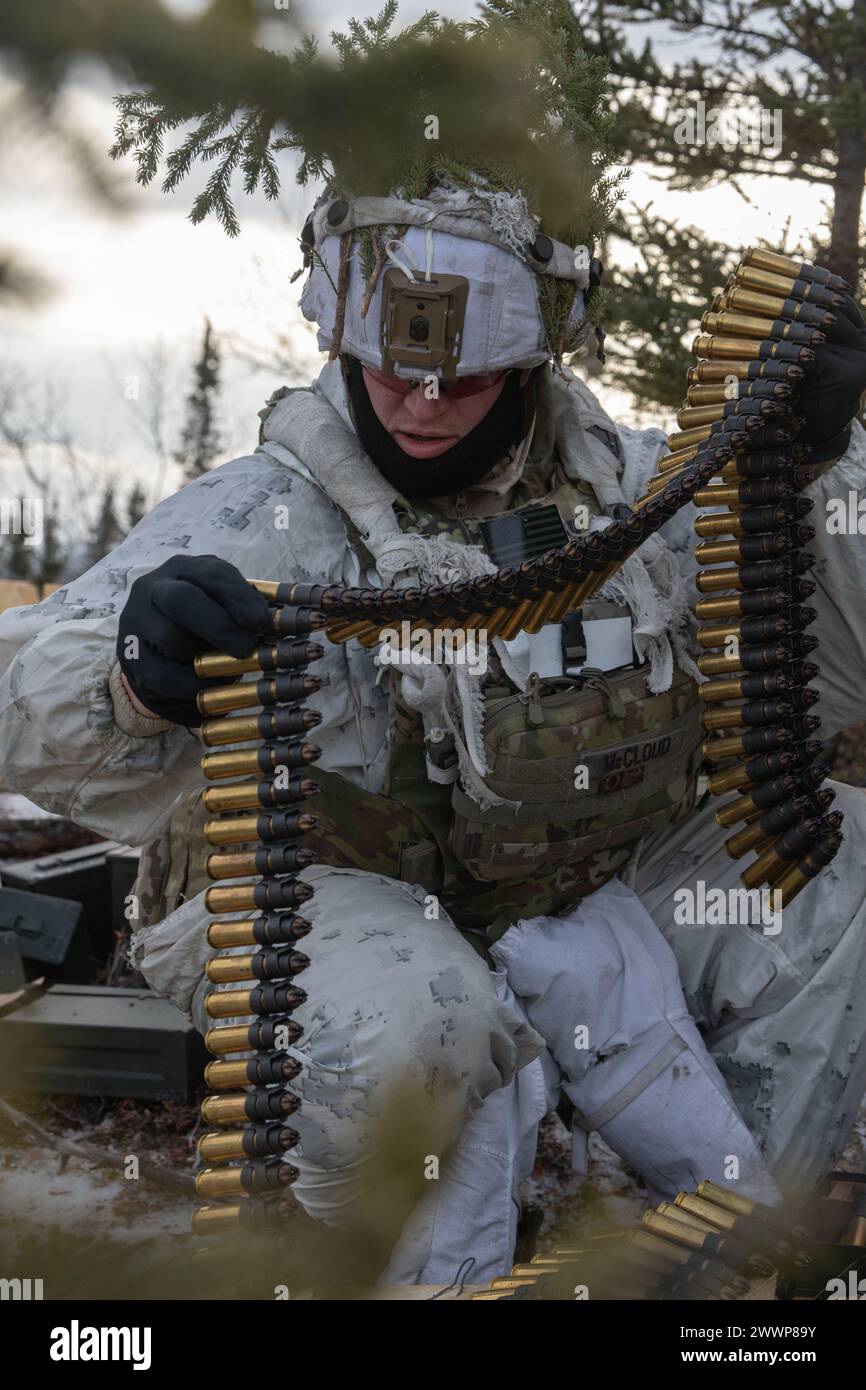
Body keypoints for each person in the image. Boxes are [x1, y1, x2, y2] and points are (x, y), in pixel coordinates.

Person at [4, 96, 866, 1290]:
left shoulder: (627, 493)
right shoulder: (268, 510)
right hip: (322, 897)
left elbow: (811, 672)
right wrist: (134, 674)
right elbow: (20, 706)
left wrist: (814, 465)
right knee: (429, 1026)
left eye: (460, 377)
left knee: (833, 878)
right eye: (389, 362)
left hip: (578, 882)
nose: (415, 399)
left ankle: (720, 1270)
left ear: (531, 353)